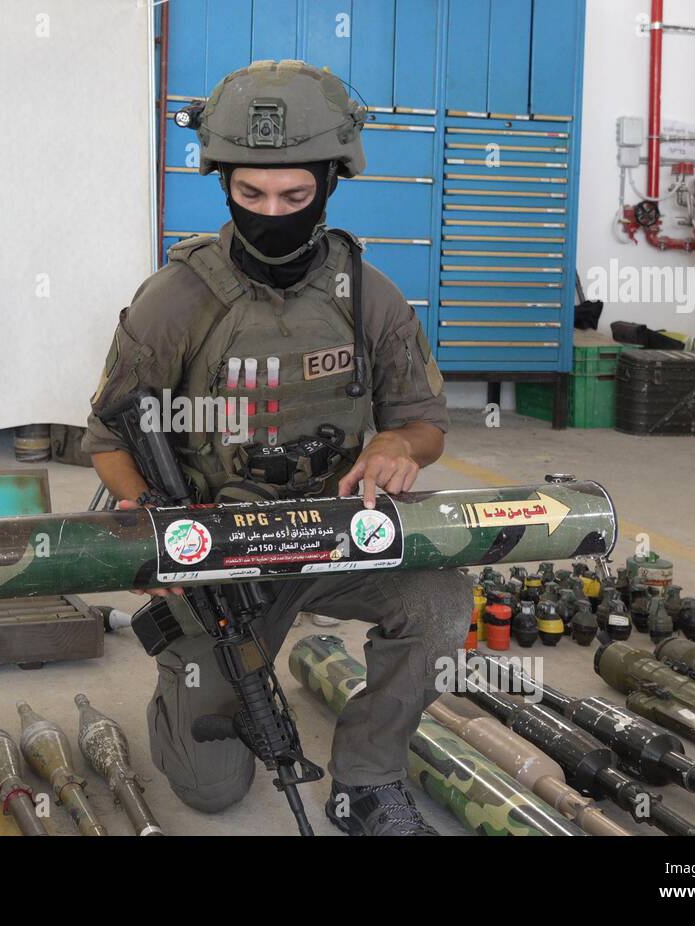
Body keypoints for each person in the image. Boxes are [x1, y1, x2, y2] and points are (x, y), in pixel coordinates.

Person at [82, 60, 471, 836]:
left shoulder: (368, 297)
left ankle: (368, 776)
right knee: (213, 789)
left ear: (330, 183)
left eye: (295, 197)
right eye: (250, 194)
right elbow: (107, 437)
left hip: (331, 536)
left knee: (440, 600)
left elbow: (424, 422)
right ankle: (183, 681)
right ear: (222, 182)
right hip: (220, 556)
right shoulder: (176, 301)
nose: (271, 214)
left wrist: (399, 444)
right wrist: (152, 523)